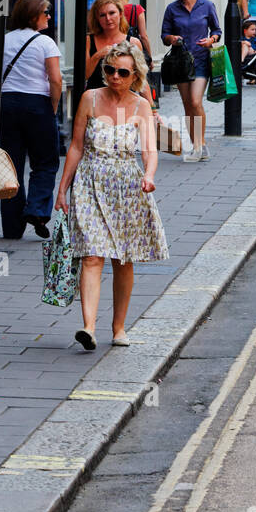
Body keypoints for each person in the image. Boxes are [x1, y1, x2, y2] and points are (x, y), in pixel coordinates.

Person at [56, 41, 168, 350]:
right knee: (92, 255)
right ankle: (89, 327)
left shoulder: (141, 106)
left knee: (123, 258)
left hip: (128, 187)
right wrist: (62, 188)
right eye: (109, 70)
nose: (114, 76)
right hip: (90, 182)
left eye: (122, 72)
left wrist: (148, 175)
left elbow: (149, 149)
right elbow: (76, 146)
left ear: (135, 75)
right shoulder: (89, 99)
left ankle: (118, 327)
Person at [0, 0, 63, 241]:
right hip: (37, 103)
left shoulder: (4, 40)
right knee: (45, 162)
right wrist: (53, 106)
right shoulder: (45, 43)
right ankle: (36, 209)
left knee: (11, 167)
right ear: (33, 15)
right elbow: (55, 79)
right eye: (45, 12)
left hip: (8, 103)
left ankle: (12, 228)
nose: (48, 16)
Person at [161, 0, 222, 163]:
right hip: (181, 63)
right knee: (188, 105)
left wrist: (211, 39)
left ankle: (200, 145)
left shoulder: (206, 6)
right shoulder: (172, 9)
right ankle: (197, 145)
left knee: (196, 102)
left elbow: (217, 30)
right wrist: (172, 38)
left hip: (201, 59)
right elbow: (164, 35)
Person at [85, 0, 145, 91]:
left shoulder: (134, 42)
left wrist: (150, 104)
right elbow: (85, 75)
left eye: (112, 13)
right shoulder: (88, 40)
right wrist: (98, 55)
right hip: (96, 99)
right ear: (97, 18)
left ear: (120, 14)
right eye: (102, 15)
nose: (108, 18)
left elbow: (141, 78)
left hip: (125, 101)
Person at [113, 0, 152, 64]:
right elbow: (143, 36)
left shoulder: (110, 8)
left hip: (114, 49)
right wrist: (149, 57)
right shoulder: (137, 9)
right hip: (132, 52)